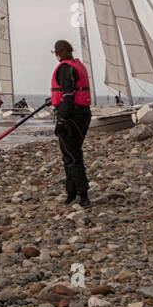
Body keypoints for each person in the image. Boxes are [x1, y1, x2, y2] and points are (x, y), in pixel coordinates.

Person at [51, 39, 92, 207]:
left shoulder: (65, 68)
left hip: (71, 117)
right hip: (83, 114)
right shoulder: (76, 65)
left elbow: (68, 95)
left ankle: (83, 195)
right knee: (71, 155)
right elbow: (69, 92)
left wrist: (61, 119)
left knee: (72, 157)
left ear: (57, 53)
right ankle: (72, 193)